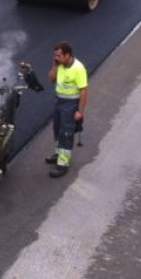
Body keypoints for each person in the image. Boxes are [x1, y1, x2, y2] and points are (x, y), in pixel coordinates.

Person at [45, 41, 88, 178]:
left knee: (66, 133)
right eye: (55, 55)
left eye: (58, 55)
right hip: (59, 102)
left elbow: (83, 91)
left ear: (67, 55)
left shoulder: (78, 68)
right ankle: (58, 154)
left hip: (71, 105)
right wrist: (55, 66)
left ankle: (63, 164)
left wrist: (80, 111)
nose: (56, 57)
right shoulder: (60, 65)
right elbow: (50, 79)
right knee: (57, 129)